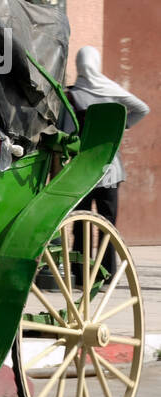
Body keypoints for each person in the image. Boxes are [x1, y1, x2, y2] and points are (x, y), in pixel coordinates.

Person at [67, 45, 149, 272]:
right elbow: (142, 108)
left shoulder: (71, 95)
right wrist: (120, 128)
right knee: (108, 224)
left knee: (80, 223)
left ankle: (79, 272)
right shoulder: (112, 91)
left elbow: (66, 131)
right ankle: (107, 273)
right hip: (110, 169)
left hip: (81, 171)